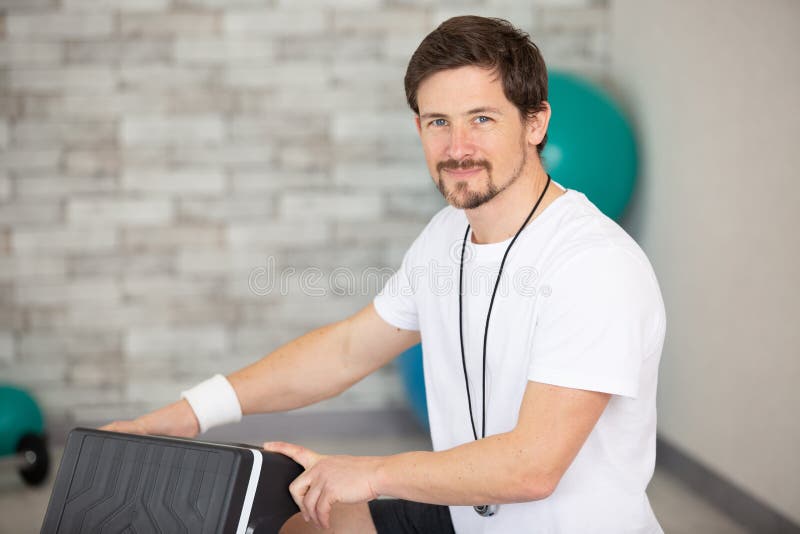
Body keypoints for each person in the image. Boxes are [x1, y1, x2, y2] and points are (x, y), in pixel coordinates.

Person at [103, 16, 666, 534]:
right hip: (468, 516)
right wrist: (181, 417)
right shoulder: (447, 235)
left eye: (483, 119)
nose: (458, 147)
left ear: (535, 123)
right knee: (300, 519)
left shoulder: (592, 264)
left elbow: (531, 469)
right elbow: (348, 349)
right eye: (438, 122)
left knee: (341, 495)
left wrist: (370, 474)